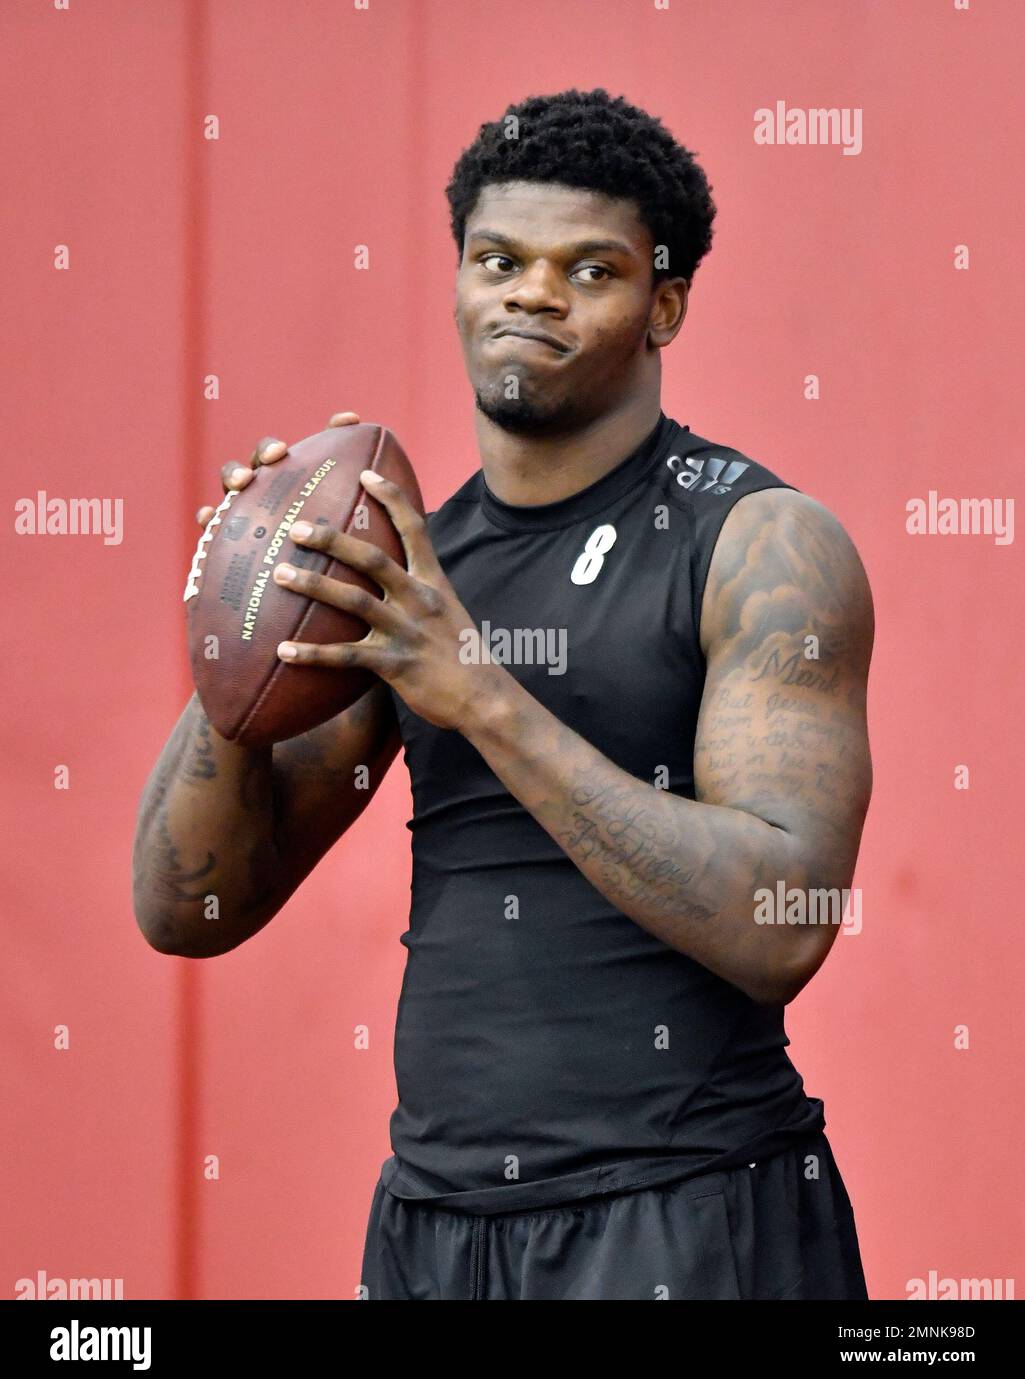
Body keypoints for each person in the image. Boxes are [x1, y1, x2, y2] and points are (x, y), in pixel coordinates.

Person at [133, 88, 874, 1300]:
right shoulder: (409, 568)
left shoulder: (753, 541)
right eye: (499, 259)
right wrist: (250, 618)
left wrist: (478, 693)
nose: (533, 292)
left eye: (589, 268)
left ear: (663, 304)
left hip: (686, 1210)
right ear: (460, 280)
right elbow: (189, 910)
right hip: (438, 1226)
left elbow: (778, 923)